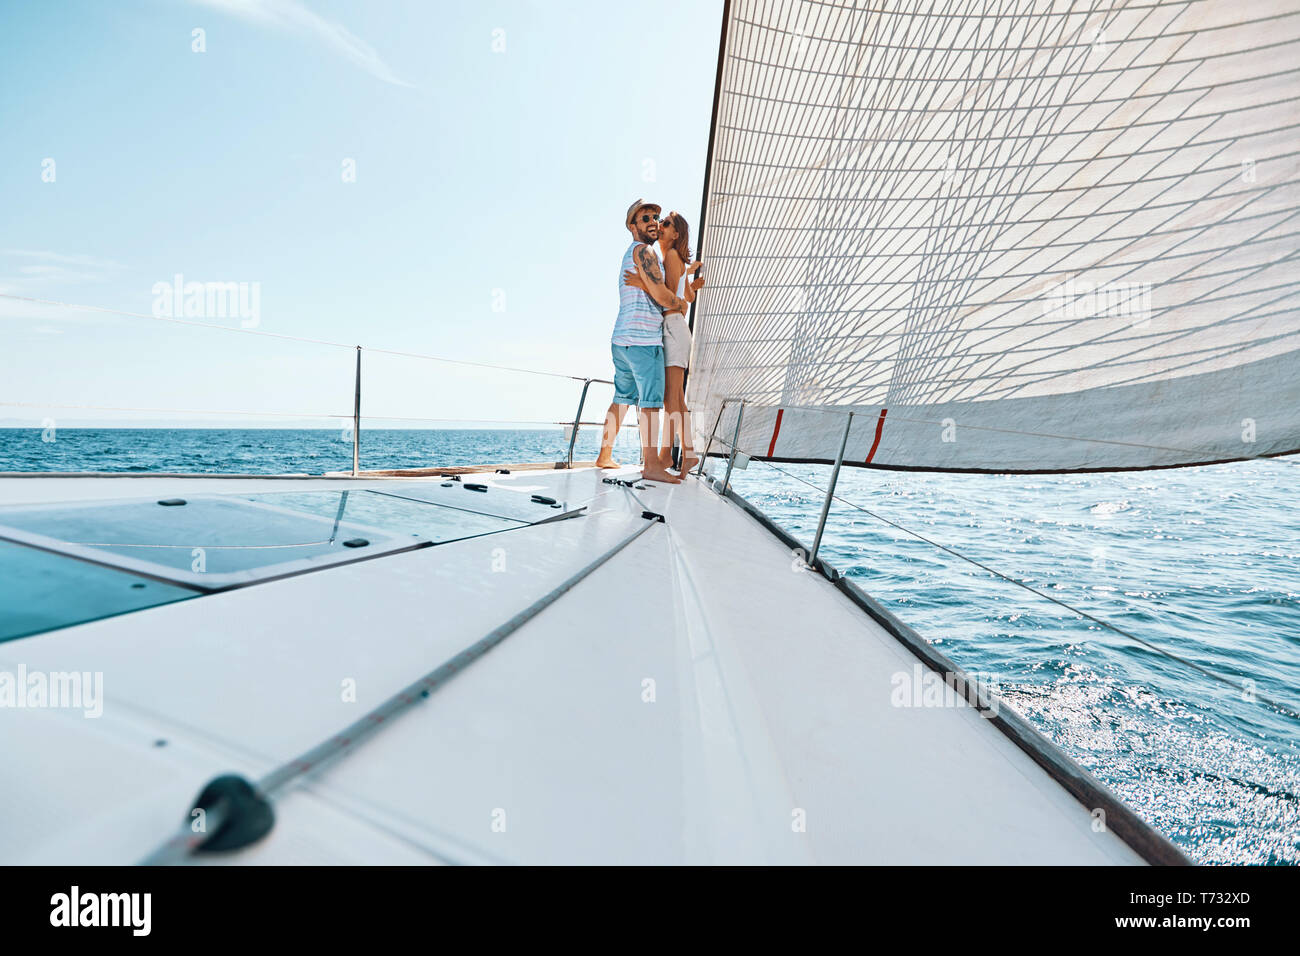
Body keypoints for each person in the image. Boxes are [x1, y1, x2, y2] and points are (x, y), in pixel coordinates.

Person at [594, 199, 692, 483]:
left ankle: (604, 455)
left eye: (656, 217)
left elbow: (653, 289)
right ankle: (652, 465)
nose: (653, 222)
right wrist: (680, 304)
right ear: (632, 225)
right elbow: (662, 297)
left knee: (621, 398)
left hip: (622, 339)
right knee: (649, 403)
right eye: (645, 218)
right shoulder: (645, 251)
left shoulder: (632, 253)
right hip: (644, 340)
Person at [623, 210, 703, 472]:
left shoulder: (670, 256)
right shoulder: (675, 258)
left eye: (666, 224)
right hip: (677, 329)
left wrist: (641, 282)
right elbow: (688, 298)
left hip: (672, 329)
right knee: (675, 398)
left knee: (671, 399)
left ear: (676, 233)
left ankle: (682, 453)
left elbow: (663, 293)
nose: (660, 226)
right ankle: (673, 454)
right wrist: (689, 276)